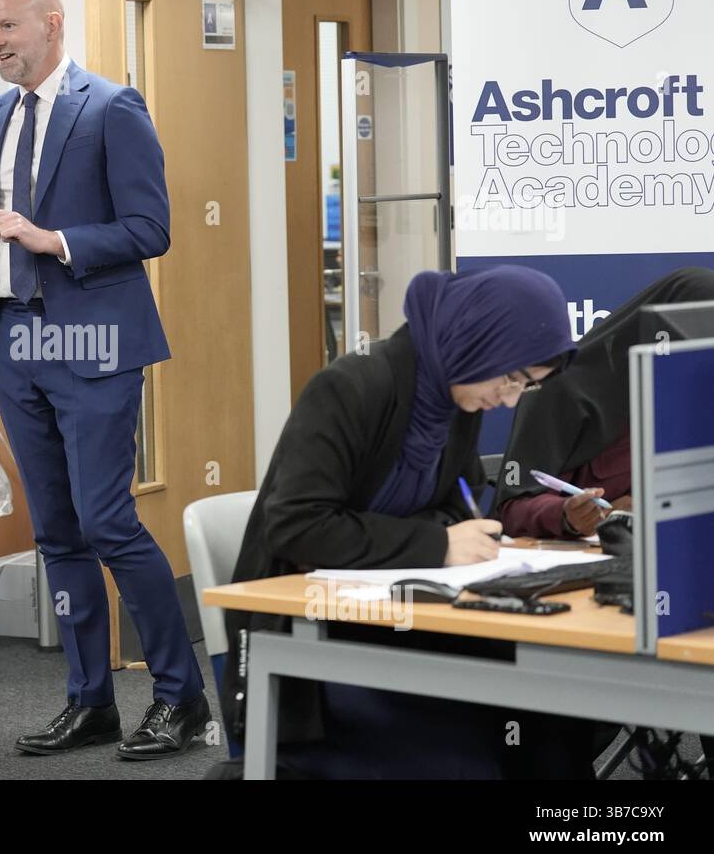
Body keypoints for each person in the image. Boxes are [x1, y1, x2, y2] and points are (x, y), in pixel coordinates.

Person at [221, 266, 593, 778]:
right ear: (477, 341)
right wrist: (435, 544)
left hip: (400, 618)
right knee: (494, 747)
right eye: (511, 378)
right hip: (311, 638)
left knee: (553, 716)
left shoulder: (456, 394)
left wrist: (455, 531)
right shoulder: (350, 388)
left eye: (525, 388)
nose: (508, 399)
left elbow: (454, 503)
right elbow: (297, 526)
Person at [0, 0, 208, 760]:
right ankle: (89, 699)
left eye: (8, 27)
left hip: (95, 345)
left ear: (52, 23)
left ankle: (184, 697)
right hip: (19, 348)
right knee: (59, 534)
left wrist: (55, 240)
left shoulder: (111, 109)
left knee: (108, 521)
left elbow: (150, 227)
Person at [497, 267, 714, 538]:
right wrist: (566, 514)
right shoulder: (561, 388)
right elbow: (512, 509)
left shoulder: (689, 397)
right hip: (572, 557)